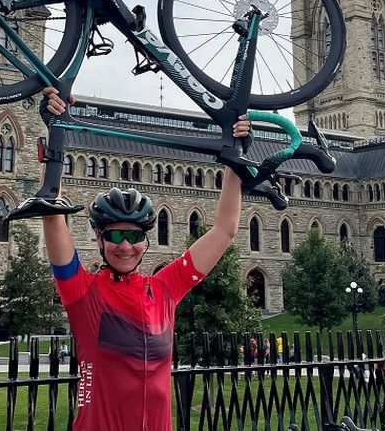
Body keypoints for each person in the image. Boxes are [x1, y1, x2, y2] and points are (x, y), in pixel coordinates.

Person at [40, 87, 250, 431]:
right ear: (99, 238)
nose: (126, 247)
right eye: (116, 236)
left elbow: (225, 230)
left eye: (135, 236)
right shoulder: (83, 293)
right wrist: (55, 135)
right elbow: (52, 214)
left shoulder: (165, 289)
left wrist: (235, 158)